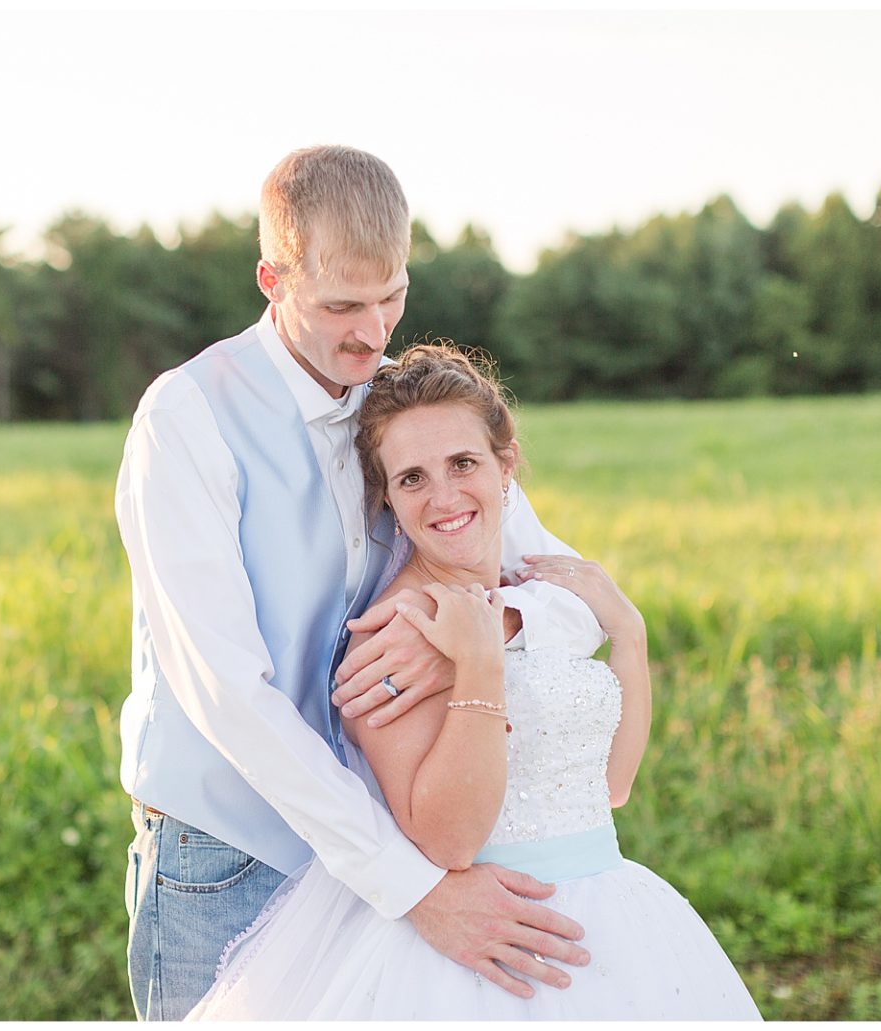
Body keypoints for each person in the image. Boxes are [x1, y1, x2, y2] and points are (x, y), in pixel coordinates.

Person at [114, 146, 606, 1020]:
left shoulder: (406, 410)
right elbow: (227, 693)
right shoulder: (185, 417)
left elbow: (567, 588)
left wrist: (479, 628)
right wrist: (412, 888)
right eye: (342, 305)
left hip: (389, 824)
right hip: (229, 854)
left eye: (394, 298)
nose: (374, 333)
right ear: (272, 278)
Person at [187, 344, 762, 1020]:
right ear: (387, 499)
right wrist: (480, 666)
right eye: (411, 479)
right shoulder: (389, 641)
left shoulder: (532, 587)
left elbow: (613, 786)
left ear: (505, 463)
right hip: (483, 951)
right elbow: (448, 841)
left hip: (609, 916)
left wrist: (629, 636)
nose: (445, 497)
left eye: (463, 463)